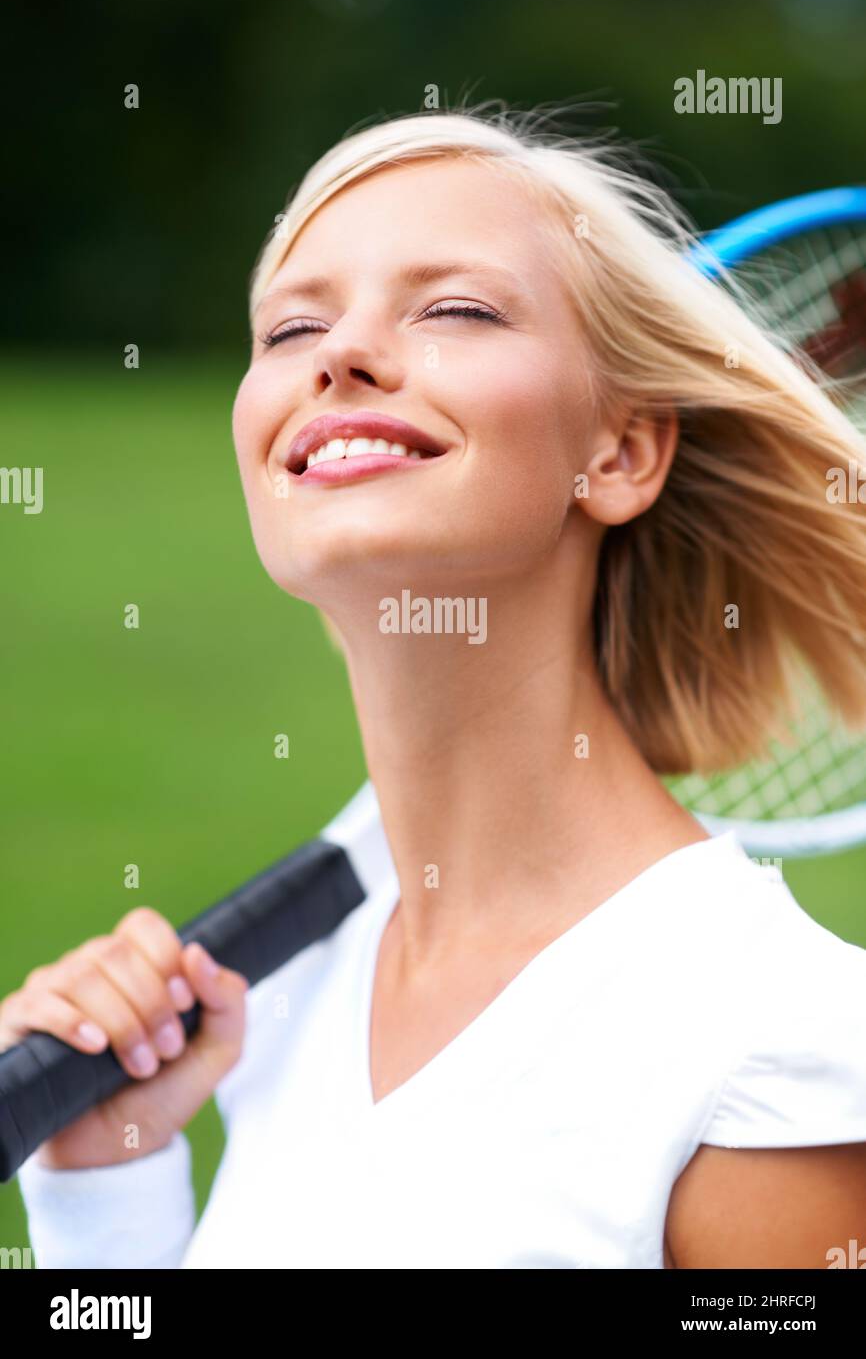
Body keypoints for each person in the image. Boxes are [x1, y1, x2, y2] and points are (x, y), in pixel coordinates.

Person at [6, 104, 866, 1269]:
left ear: (616, 452)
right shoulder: (296, 985)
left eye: (455, 308)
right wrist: (106, 1190)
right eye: (290, 325)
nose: (338, 353)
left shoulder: (773, 1045)